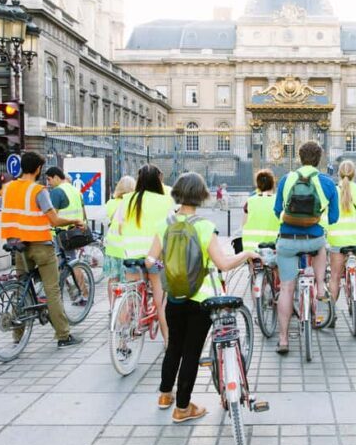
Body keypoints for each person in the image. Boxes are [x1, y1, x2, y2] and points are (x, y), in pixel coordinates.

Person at [146, 172, 258, 423]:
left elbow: (150, 259)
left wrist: (168, 271)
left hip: (174, 295)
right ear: (201, 196)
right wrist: (247, 253)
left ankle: (165, 395)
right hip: (201, 299)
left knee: (174, 346)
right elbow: (224, 264)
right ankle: (183, 407)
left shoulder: (164, 224)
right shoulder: (205, 227)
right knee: (191, 353)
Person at [0, 152, 83, 348]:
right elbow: (54, 219)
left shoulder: (8, 188)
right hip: (39, 244)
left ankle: (17, 335)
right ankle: (63, 335)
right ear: (38, 169)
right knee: (52, 290)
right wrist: (74, 220)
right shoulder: (38, 191)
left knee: (21, 289)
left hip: (17, 245)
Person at [273, 141, 339, 355]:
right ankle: (320, 286)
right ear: (320, 159)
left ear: (299, 157)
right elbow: (335, 218)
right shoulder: (327, 183)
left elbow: (276, 212)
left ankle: (283, 339)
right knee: (320, 248)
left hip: (287, 239)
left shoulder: (286, 179)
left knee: (286, 288)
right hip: (313, 238)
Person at [114, 164, 173, 343]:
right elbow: (171, 228)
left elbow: (119, 226)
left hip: (131, 254)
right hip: (155, 256)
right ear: (158, 180)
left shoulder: (127, 199)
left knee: (130, 296)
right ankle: (168, 341)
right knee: (160, 300)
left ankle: (120, 341)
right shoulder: (164, 201)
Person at [327, 160, 356, 317]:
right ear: (354, 174)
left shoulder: (332, 191)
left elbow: (326, 215)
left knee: (335, 276)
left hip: (337, 239)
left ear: (338, 173)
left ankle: (331, 313)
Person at [46, 167, 89, 300]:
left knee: (57, 265)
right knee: (74, 263)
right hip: (74, 232)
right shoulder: (76, 191)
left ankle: (64, 294)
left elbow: (52, 216)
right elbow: (83, 212)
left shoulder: (57, 192)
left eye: (49, 179)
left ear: (57, 177)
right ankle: (85, 294)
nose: (48, 183)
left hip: (60, 234)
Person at [103, 175, 136, 309]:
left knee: (113, 278)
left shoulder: (111, 203)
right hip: (126, 247)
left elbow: (107, 220)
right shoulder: (132, 203)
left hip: (111, 245)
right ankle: (125, 309)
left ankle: (112, 307)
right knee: (127, 280)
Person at [242, 169, 281, 252]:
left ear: (258, 185)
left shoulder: (250, 201)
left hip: (250, 249)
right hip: (272, 247)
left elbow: (244, 225)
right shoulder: (278, 201)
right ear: (273, 184)